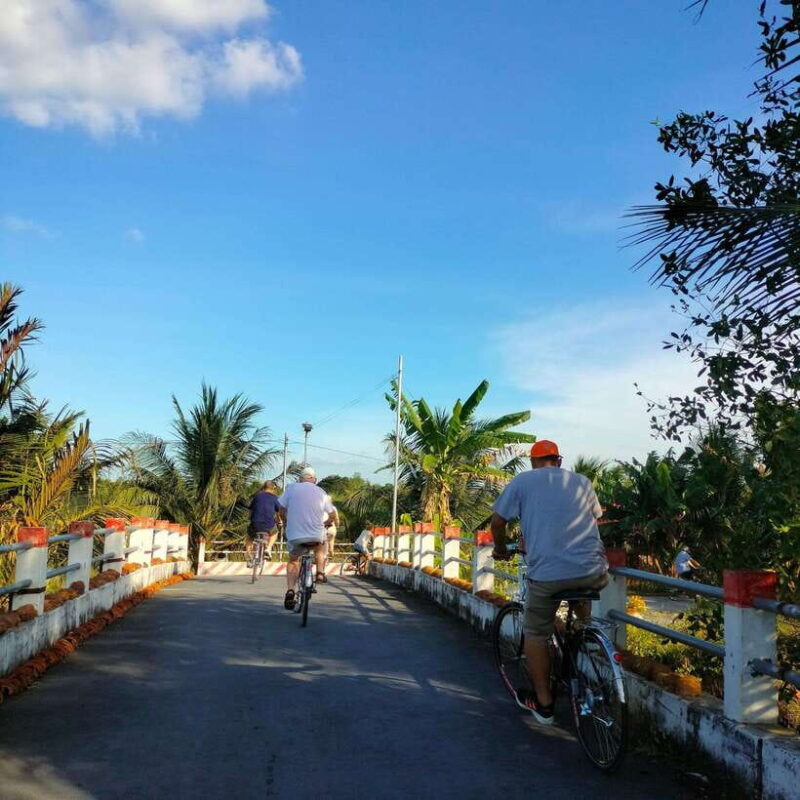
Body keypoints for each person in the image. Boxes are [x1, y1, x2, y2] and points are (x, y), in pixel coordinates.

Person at [491, 440, 608, 726]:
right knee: (579, 590)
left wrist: (501, 548)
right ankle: (583, 634)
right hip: (594, 570)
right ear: (558, 460)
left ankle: (544, 705)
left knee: (535, 633)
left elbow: (497, 522)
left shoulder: (524, 481)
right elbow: (597, 517)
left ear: (534, 462)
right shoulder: (581, 481)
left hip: (548, 576)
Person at [277, 466, 335, 610]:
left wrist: (285, 520)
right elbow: (332, 514)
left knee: (293, 561)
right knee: (320, 548)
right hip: (315, 535)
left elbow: (281, 508)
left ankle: (291, 590)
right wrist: (327, 522)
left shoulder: (291, 489)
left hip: (295, 535)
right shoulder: (321, 492)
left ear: (300, 479)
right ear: (314, 480)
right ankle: (320, 573)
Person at [247, 480, 281, 565]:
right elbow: (279, 512)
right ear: (273, 488)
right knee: (275, 533)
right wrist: (280, 521)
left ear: (263, 487)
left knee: (249, 537)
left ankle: (249, 555)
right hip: (268, 525)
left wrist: (250, 519)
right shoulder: (275, 498)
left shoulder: (257, 497)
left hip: (255, 524)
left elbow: (250, 511)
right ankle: (268, 548)